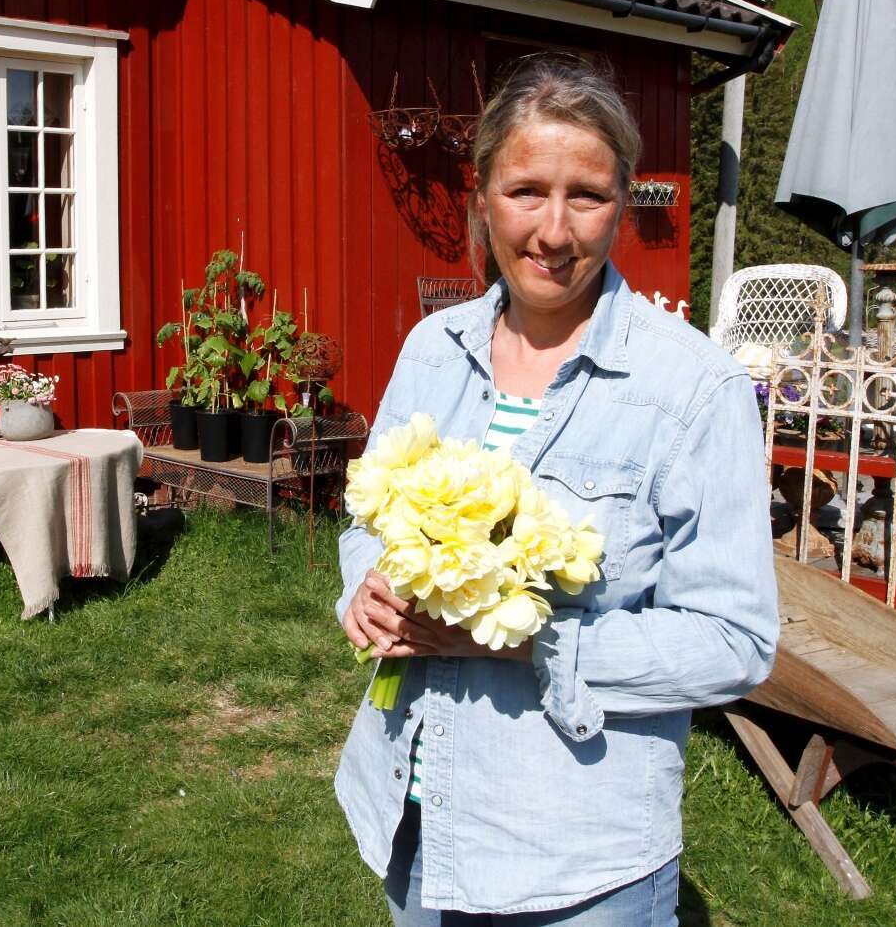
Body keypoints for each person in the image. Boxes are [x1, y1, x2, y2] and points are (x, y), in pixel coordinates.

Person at [334, 52, 780, 925]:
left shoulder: (692, 390)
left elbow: (733, 642)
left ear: (622, 205)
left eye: (586, 196)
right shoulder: (432, 352)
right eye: (526, 191)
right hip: (410, 815)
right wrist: (365, 588)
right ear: (481, 197)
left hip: (573, 855)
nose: (553, 230)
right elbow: (364, 523)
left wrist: (532, 644)